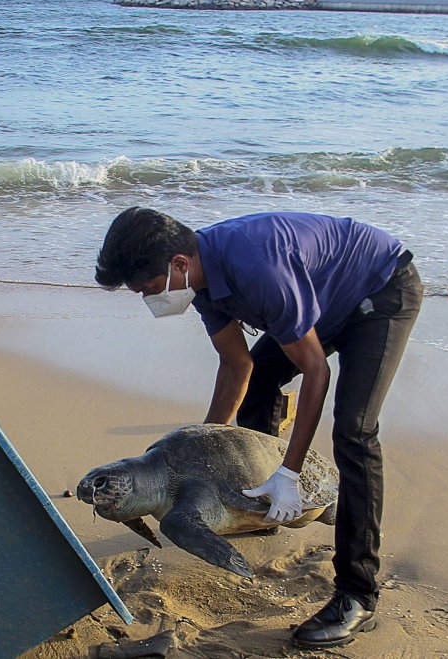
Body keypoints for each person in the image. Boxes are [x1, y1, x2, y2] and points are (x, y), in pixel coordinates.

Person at [94, 207, 422, 648]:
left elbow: (315, 371)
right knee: (261, 381)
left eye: (151, 289)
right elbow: (237, 365)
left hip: (378, 290)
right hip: (320, 300)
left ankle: (357, 595)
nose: (150, 299)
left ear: (178, 264)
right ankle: (259, 506)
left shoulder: (256, 267)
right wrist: (194, 452)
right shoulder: (201, 278)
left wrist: (289, 471)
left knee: (354, 431)